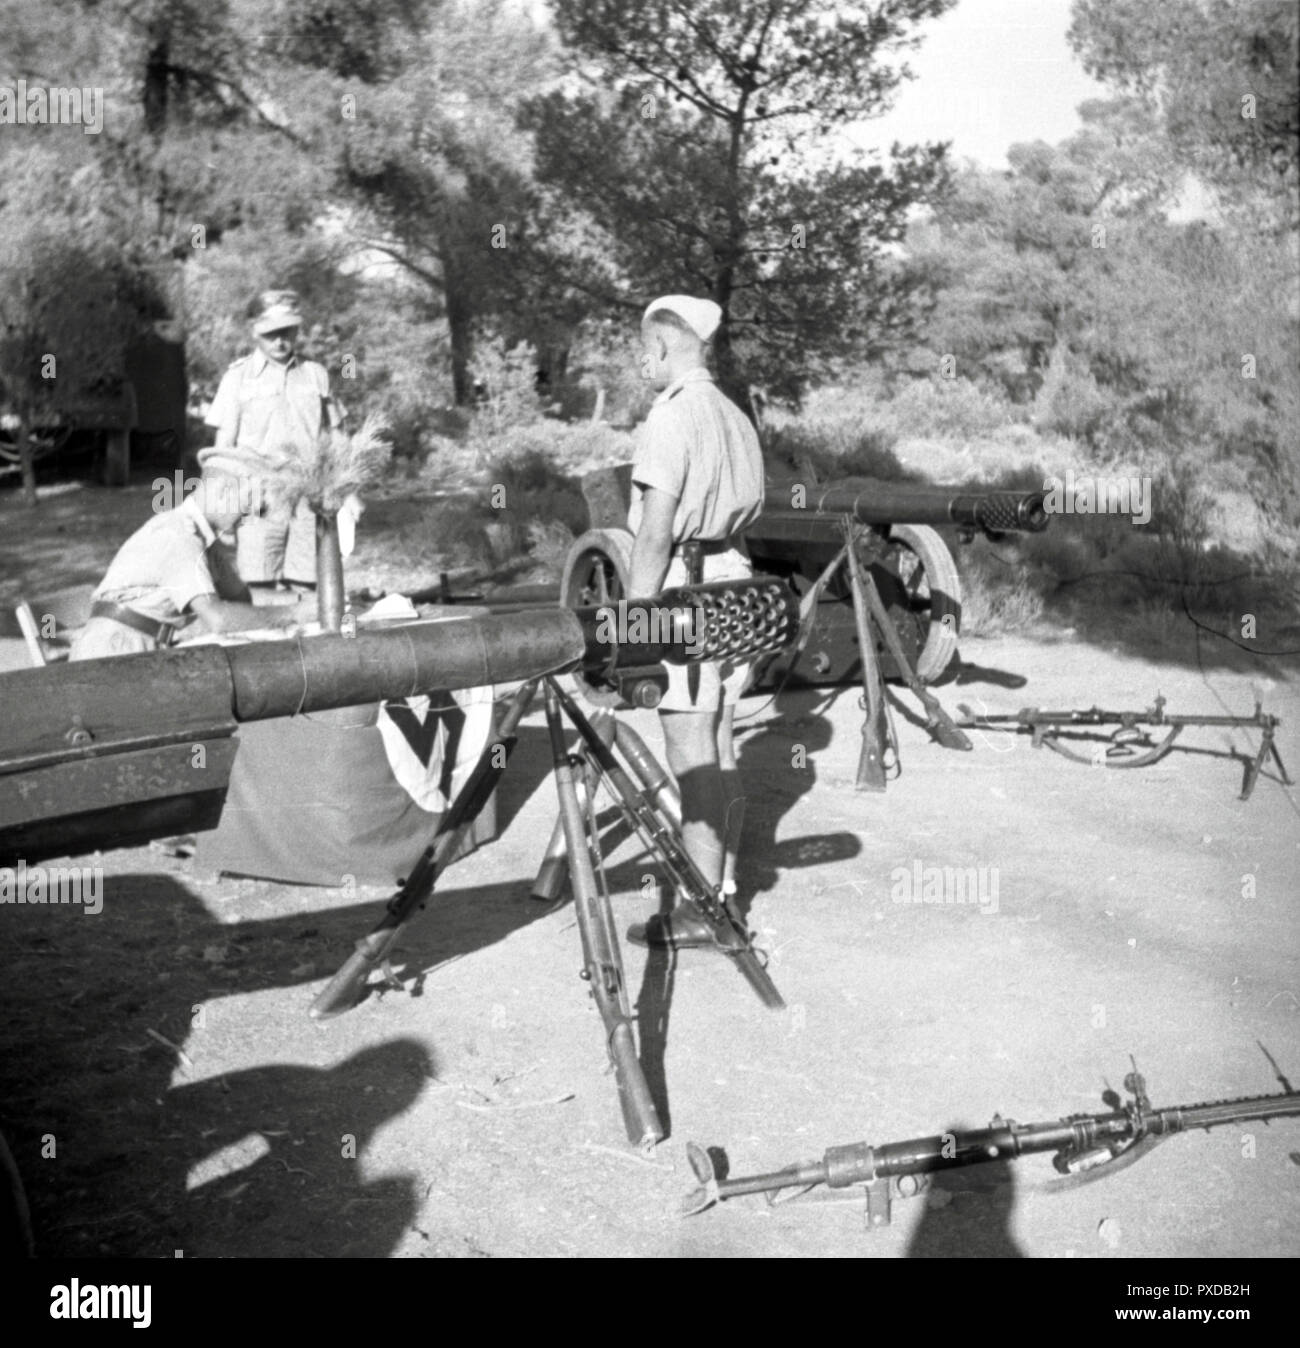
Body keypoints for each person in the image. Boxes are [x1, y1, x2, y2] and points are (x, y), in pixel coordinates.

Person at [623, 294, 765, 950]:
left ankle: (702, 909)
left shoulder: (670, 418)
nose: (638, 361)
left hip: (685, 589)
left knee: (690, 754)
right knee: (722, 745)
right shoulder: (736, 415)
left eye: (641, 350)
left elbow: (653, 536)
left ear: (663, 349)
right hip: (736, 586)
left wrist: (633, 627)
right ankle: (724, 889)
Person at [69, 450, 314, 661]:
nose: (250, 516)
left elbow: (243, 600)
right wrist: (293, 615)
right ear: (223, 491)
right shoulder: (180, 537)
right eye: (249, 503)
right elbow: (218, 618)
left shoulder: (206, 540)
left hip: (138, 645)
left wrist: (306, 600)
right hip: (113, 649)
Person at [204, 289, 348, 589]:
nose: (280, 341)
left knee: (309, 582)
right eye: (271, 334)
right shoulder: (237, 378)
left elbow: (336, 436)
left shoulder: (315, 374)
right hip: (259, 495)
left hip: (310, 493)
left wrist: (342, 488)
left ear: (297, 330)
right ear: (255, 332)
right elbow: (223, 451)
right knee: (258, 582)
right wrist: (222, 505)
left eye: (287, 332)